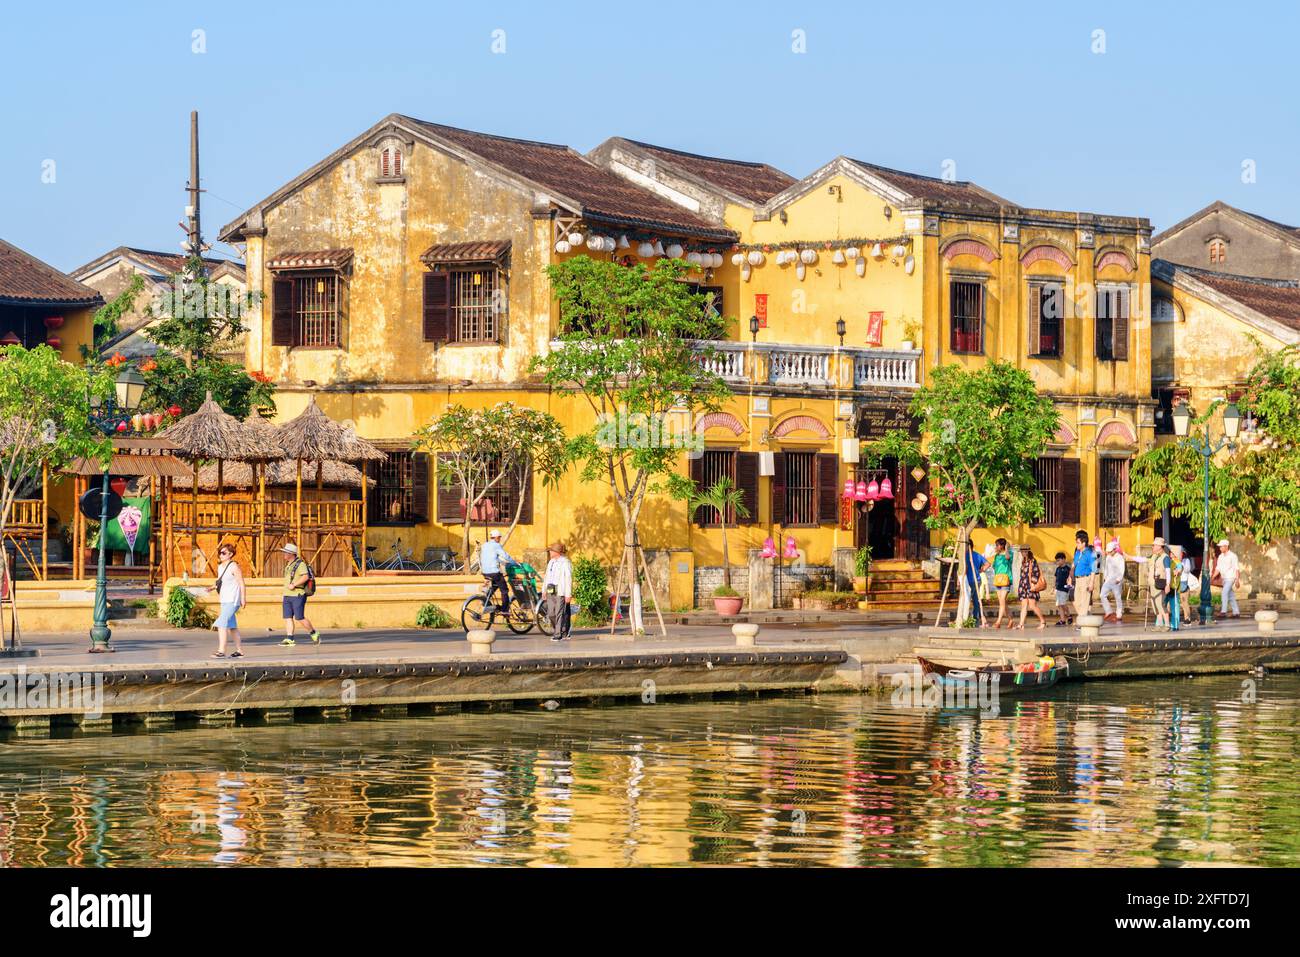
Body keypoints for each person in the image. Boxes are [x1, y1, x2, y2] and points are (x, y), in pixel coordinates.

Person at [279, 543, 321, 646]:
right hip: (287, 595)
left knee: (299, 617)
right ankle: (290, 638)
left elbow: (305, 577)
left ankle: (314, 633)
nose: (284, 554)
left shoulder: (300, 564)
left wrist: (294, 584)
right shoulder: (289, 564)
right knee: (288, 617)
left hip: (297, 594)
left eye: (285, 552)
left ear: (291, 554)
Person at [209, 543, 246, 658]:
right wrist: (213, 587)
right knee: (232, 627)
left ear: (230, 554)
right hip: (224, 600)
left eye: (224, 553)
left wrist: (243, 598)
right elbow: (222, 581)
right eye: (220, 552)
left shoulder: (234, 566)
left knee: (222, 624)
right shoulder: (220, 567)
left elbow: (241, 583)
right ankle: (240, 651)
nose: (221, 555)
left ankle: (221, 651)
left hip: (233, 599)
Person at [542, 541, 573, 641]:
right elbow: (546, 576)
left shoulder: (565, 563)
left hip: (560, 591)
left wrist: (568, 594)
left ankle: (558, 634)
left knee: (559, 613)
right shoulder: (551, 562)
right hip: (551, 590)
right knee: (551, 613)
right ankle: (560, 629)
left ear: (557, 552)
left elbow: (568, 579)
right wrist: (544, 590)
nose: (550, 552)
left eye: (551, 551)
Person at [480, 529, 515, 614]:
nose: (499, 539)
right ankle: (504, 610)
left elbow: (494, 558)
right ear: (496, 537)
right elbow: (505, 556)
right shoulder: (496, 545)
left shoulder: (485, 545)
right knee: (504, 590)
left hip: (485, 572)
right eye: (499, 537)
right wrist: (514, 562)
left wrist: (502, 562)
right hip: (494, 572)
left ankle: (486, 602)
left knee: (495, 586)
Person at [1015, 544, 1047, 630]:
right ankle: (1021, 624)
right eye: (1022, 552)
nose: (1023, 553)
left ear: (1028, 552)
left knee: (1032, 605)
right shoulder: (1023, 561)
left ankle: (1043, 621)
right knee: (1024, 605)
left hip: (1030, 586)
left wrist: (1033, 584)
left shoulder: (1032, 561)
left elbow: (1036, 573)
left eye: (1025, 551)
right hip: (1023, 586)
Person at [986, 538, 1013, 629]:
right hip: (998, 580)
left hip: (1005, 581)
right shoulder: (997, 556)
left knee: (1002, 602)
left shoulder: (1009, 553)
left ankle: (998, 622)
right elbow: (994, 566)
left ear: (1002, 546)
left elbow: (1008, 558)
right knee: (1003, 602)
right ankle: (1010, 620)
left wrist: (1006, 549)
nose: (996, 547)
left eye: (997, 545)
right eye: (996, 545)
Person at [1070, 530, 1096, 618]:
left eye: (1078, 543)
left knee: (1085, 601)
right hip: (1077, 579)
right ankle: (1086, 616)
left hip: (1086, 579)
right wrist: (1070, 576)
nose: (1076, 544)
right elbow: (1074, 564)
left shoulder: (1089, 553)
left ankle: (1082, 622)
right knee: (1076, 600)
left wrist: (1092, 582)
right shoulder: (1077, 553)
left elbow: (1093, 569)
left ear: (1083, 543)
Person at [1213, 539, 1241, 620]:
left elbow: (1237, 569)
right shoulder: (1220, 556)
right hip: (1224, 578)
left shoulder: (1233, 556)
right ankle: (1236, 612)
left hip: (1230, 578)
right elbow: (1218, 568)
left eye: (1221, 546)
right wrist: (1213, 577)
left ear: (1226, 546)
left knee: (1224, 593)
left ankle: (1223, 611)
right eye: (1220, 547)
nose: (1220, 548)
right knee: (1231, 596)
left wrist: (1237, 580)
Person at [1100, 540, 1126, 624]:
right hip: (1108, 580)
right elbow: (1106, 568)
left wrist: (1119, 579)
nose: (1109, 553)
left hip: (1116, 580)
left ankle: (1119, 614)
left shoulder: (1120, 557)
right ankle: (1108, 611)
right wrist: (1105, 577)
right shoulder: (1108, 557)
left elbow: (1122, 568)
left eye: (1110, 551)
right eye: (1108, 552)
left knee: (1117, 597)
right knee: (1102, 595)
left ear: (1115, 550)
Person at [1149, 537, 1171, 630]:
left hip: (1161, 583)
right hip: (1153, 583)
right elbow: (1142, 559)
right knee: (1155, 605)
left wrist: (1168, 585)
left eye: (1154, 545)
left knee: (1161, 604)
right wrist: (1128, 556)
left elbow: (1168, 571)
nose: (1153, 546)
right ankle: (1159, 625)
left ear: (1159, 546)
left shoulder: (1165, 557)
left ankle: (1167, 625)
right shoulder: (1154, 556)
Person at [1053, 552, 1072, 627]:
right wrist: (1054, 587)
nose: (1057, 562)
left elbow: (1070, 579)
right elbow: (1055, 578)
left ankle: (1069, 615)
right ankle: (1062, 620)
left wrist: (1069, 587)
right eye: (1056, 561)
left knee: (1063, 604)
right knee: (1059, 605)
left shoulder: (1068, 569)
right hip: (1058, 589)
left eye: (1059, 560)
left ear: (1064, 559)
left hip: (1064, 589)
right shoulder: (1057, 569)